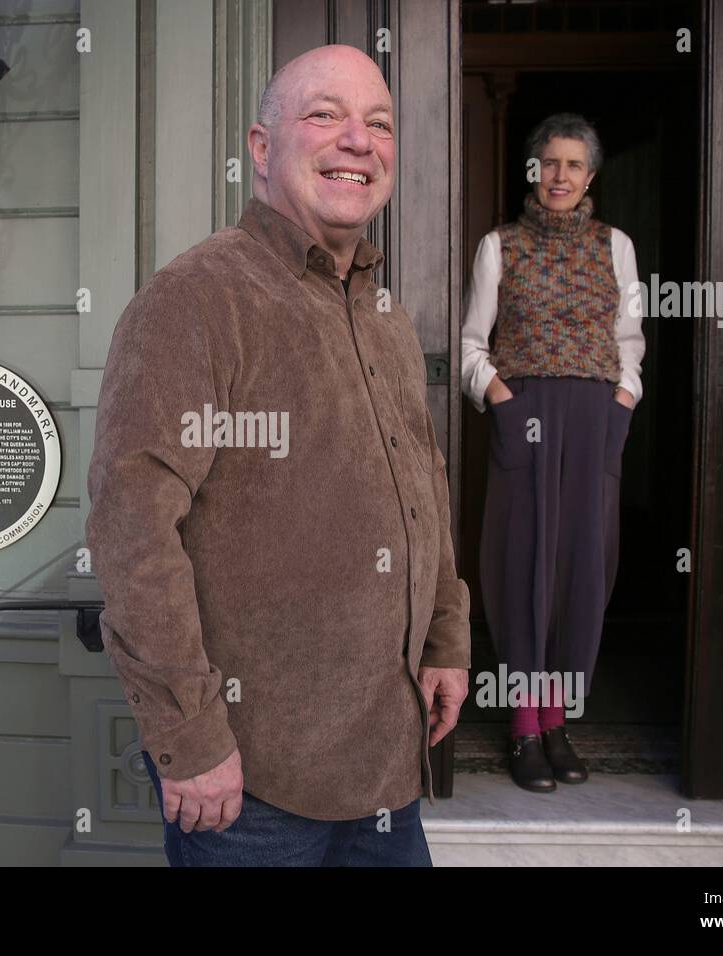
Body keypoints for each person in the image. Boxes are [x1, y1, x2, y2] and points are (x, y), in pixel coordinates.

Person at [85, 44, 471, 866]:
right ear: (261, 149)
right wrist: (188, 737)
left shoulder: (386, 320)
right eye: (325, 115)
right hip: (252, 788)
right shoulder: (193, 301)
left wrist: (445, 637)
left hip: (386, 769)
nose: (358, 141)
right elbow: (133, 529)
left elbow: (423, 493)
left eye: (379, 123)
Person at [460, 112, 646, 793]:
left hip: (595, 417)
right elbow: (471, 343)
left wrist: (622, 403)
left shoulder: (615, 246)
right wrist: (501, 398)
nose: (561, 175)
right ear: (533, 171)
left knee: (582, 573)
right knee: (522, 569)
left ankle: (558, 719)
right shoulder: (499, 246)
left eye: (574, 164)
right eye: (550, 163)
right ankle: (523, 725)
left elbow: (630, 340)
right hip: (526, 414)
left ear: (590, 175)